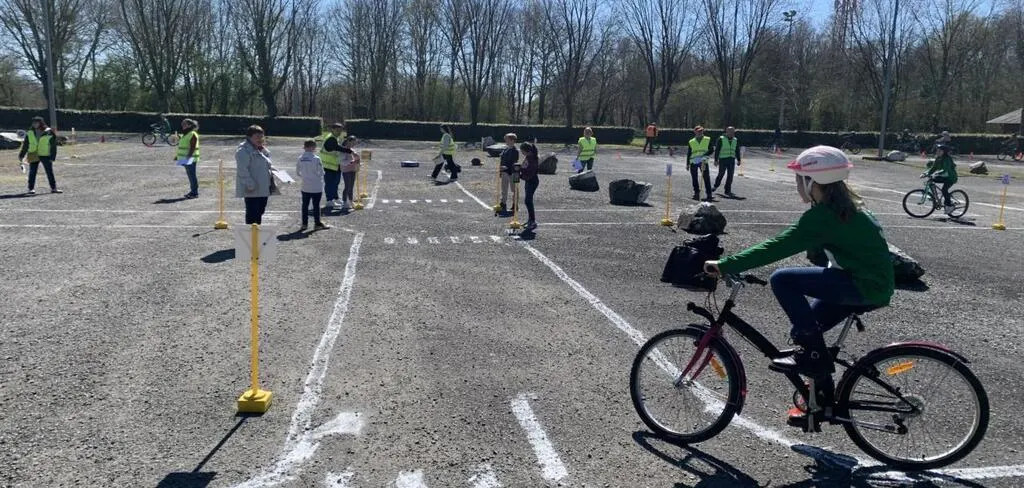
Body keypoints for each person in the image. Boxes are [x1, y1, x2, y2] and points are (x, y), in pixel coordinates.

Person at [704, 146, 894, 422]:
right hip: (865, 281)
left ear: (813, 181)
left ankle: (816, 365)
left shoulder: (825, 215)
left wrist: (726, 265)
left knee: (783, 280)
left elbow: (777, 246)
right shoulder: (843, 207)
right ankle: (820, 406)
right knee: (805, 334)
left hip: (863, 285)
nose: (796, 185)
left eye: (799, 179)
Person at [236, 125, 276, 225]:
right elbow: (242, 171)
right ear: (249, 137)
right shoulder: (243, 151)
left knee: (260, 212)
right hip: (252, 188)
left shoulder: (262, 150)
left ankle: (256, 237)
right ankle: (251, 238)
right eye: (257, 137)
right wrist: (250, 184)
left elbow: (267, 164)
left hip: (263, 187)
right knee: (252, 215)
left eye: (262, 136)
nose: (260, 139)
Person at [17, 116, 62, 195]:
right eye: (33, 122)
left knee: (49, 172)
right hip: (33, 153)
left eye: (36, 122)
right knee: (32, 172)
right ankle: (31, 189)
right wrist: (21, 155)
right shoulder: (30, 132)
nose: (34, 124)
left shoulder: (49, 132)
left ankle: (54, 188)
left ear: (41, 123)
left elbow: (53, 146)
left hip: (45, 154)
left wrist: (53, 156)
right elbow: (26, 145)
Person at [296, 139, 330, 232]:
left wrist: (305, 176)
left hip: (305, 186)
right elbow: (321, 172)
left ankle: (304, 224)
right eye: (314, 146)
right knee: (316, 205)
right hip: (316, 186)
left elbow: (298, 172)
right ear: (312, 147)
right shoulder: (316, 158)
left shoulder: (300, 158)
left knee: (305, 205)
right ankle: (317, 224)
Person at [319, 122, 346, 209]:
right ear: (332, 129)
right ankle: (329, 200)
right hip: (328, 166)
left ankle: (335, 198)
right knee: (329, 183)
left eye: (341, 130)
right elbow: (337, 148)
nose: (339, 132)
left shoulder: (336, 138)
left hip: (335, 165)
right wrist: (349, 150)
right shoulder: (331, 138)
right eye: (337, 130)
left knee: (336, 183)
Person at [925, 144, 958, 214]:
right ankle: (934, 196)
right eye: (937, 150)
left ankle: (949, 206)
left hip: (951, 178)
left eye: (939, 150)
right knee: (930, 180)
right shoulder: (938, 158)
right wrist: (926, 173)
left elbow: (946, 170)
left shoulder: (947, 159)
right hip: (944, 176)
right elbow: (934, 168)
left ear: (944, 152)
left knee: (944, 190)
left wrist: (937, 173)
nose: (937, 151)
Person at [686, 125, 713, 201]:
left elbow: (711, 149)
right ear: (695, 131)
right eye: (698, 131)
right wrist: (687, 163)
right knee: (694, 178)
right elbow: (689, 153)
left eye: (701, 131)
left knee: (706, 178)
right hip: (693, 162)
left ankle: (709, 194)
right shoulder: (691, 141)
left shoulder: (707, 139)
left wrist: (704, 155)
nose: (700, 132)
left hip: (703, 161)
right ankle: (696, 193)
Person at [712, 126, 741, 197]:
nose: (731, 133)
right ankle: (716, 186)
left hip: (731, 160)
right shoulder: (721, 139)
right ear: (726, 132)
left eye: (733, 131)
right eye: (730, 131)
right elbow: (717, 150)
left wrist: (739, 159)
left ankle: (727, 190)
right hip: (723, 159)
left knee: (730, 176)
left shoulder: (735, 139)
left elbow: (737, 150)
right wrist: (716, 160)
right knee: (721, 174)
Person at [176, 118, 200, 199]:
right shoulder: (185, 134)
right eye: (182, 123)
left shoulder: (192, 134)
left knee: (192, 175)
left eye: (184, 124)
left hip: (190, 158)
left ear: (189, 125)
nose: (182, 125)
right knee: (190, 175)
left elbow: (192, 147)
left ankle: (194, 193)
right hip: (186, 158)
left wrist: (188, 158)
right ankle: (193, 191)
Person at [519, 141, 540, 231]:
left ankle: (533, 221)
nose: (521, 153)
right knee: (528, 201)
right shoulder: (528, 157)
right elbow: (523, 167)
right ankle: (530, 220)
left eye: (522, 151)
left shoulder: (532, 159)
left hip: (532, 181)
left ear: (526, 150)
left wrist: (521, 176)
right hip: (529, 181)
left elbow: (530, 173)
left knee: (528, 201)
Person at [498, 133, 519, 214]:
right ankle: (503, 203)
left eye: (507, 139)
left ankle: (515, 204)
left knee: (514, 190)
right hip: (504, 172)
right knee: (504, 189)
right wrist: (501, 170)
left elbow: (514, 162)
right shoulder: (505, 149)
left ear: (512, 140)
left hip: (512, 173)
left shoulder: (515, 151)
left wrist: (506, 167)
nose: (505, 141)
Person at [339, 135, 361, 211]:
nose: (354, 144)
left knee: (351, 186)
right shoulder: (343, 150)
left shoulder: (352, 150)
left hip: (353, 170)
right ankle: (344, 202)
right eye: (353, 142)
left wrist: (358, 163)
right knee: (347, 186)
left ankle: (351, 201)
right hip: (346, 170)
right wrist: (352, 162)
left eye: (355, 143)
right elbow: (342, 162)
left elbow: (357, 160)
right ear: (349, 141)